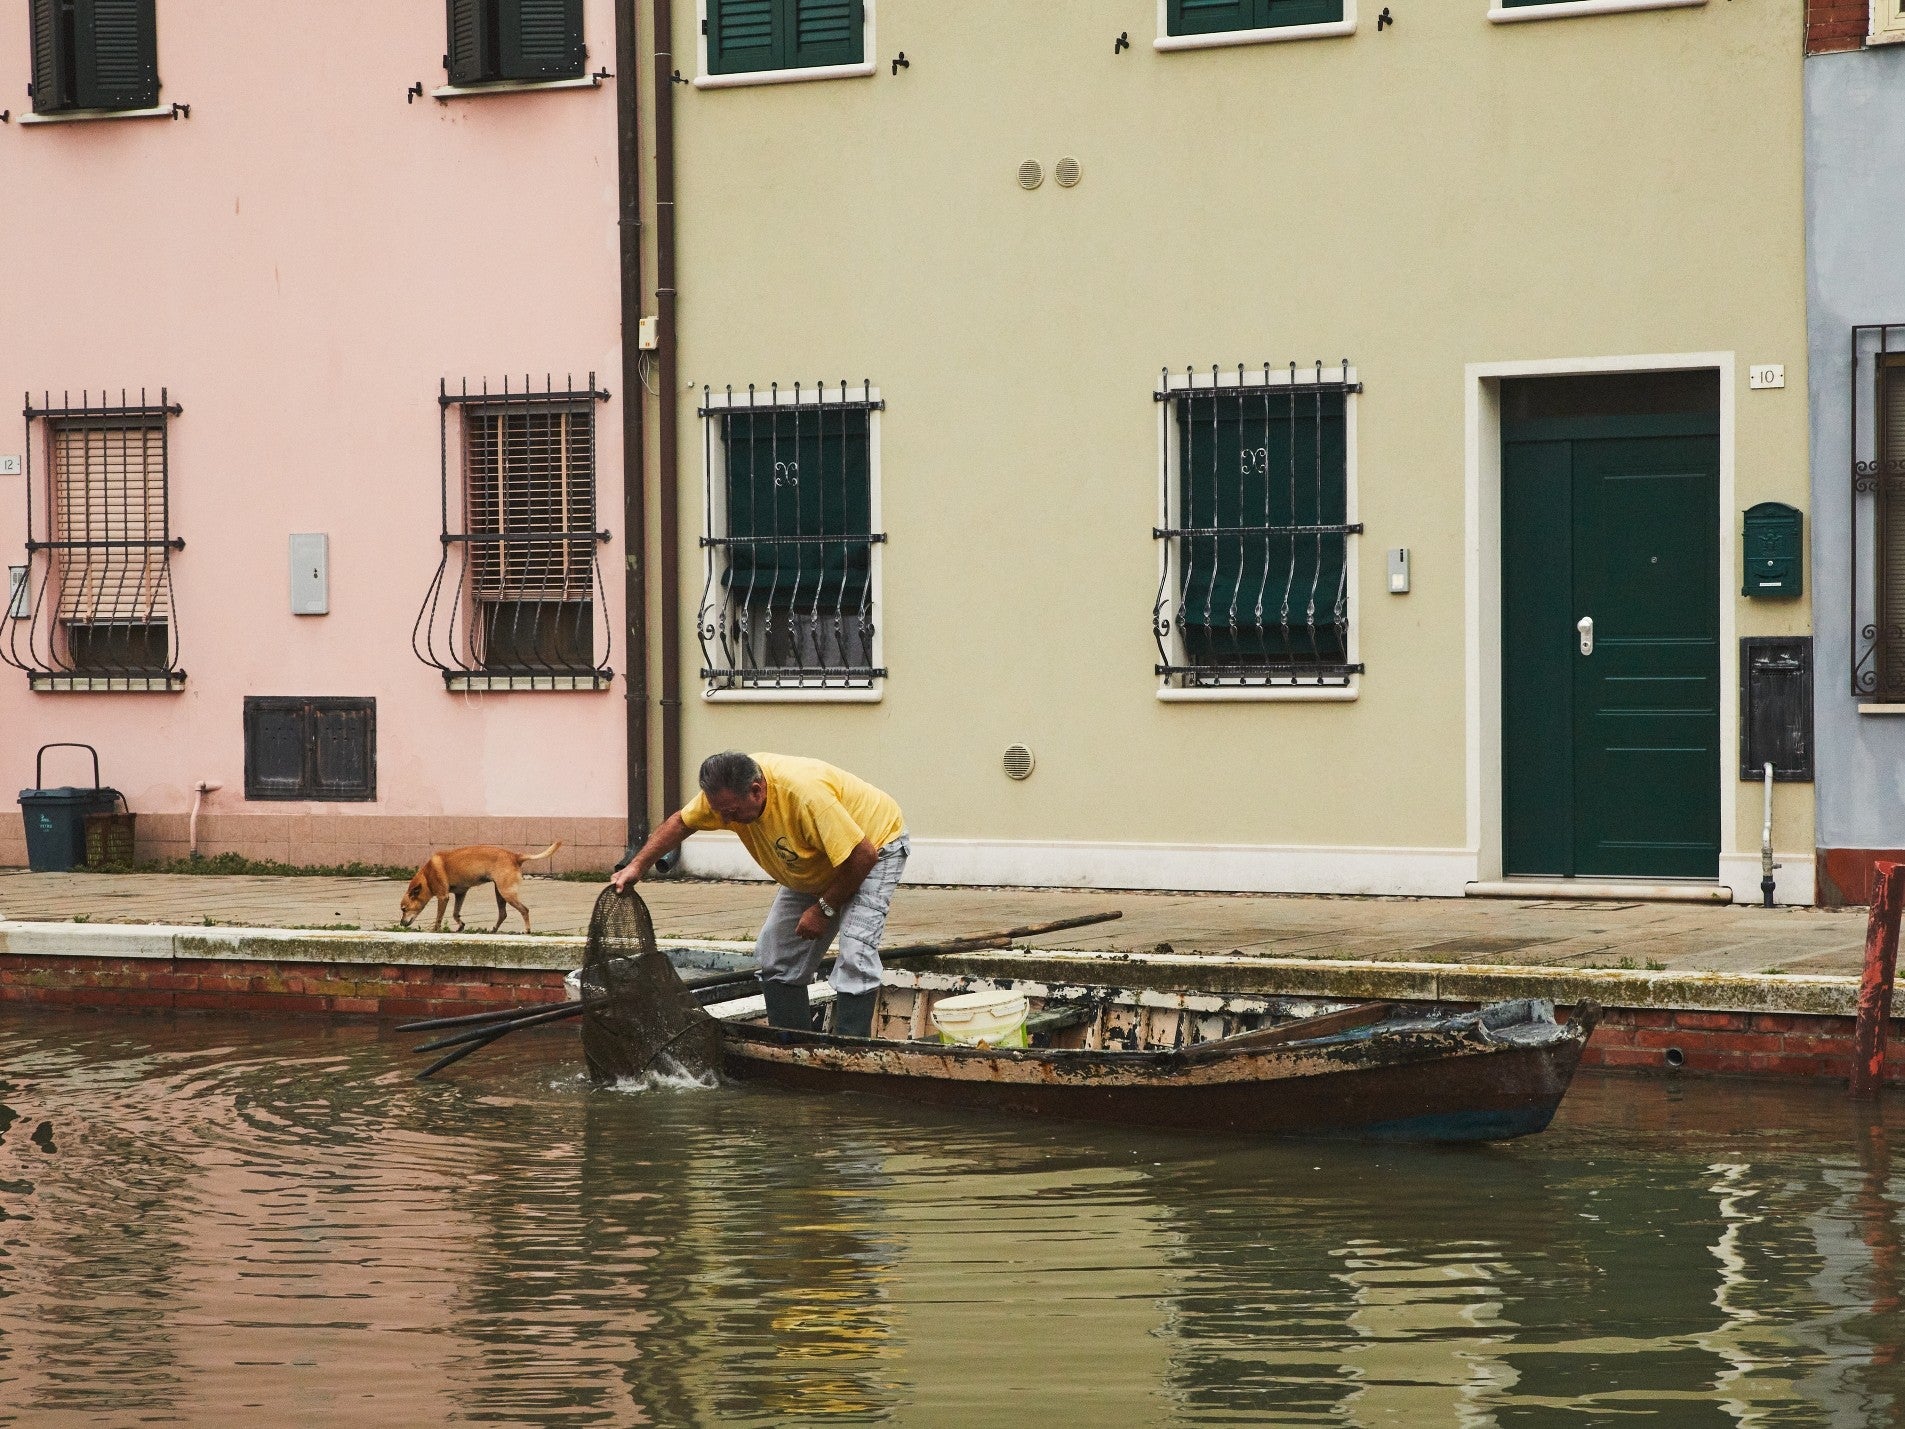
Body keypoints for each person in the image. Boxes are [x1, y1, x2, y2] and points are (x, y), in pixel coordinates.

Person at [610, 751, 908, 1038]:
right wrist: (637, 865)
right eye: (719, 813)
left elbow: (862, 856)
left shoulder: (805, 796)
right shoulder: (724, 798)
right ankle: (794, 1048)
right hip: (815, 861)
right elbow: (680, 823)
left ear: (757, 790)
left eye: (731, 813)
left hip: (875, 848)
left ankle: (850, 1054)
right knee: (774, 957)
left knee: (855, 954)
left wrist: (824, 908)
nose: (725, 821)